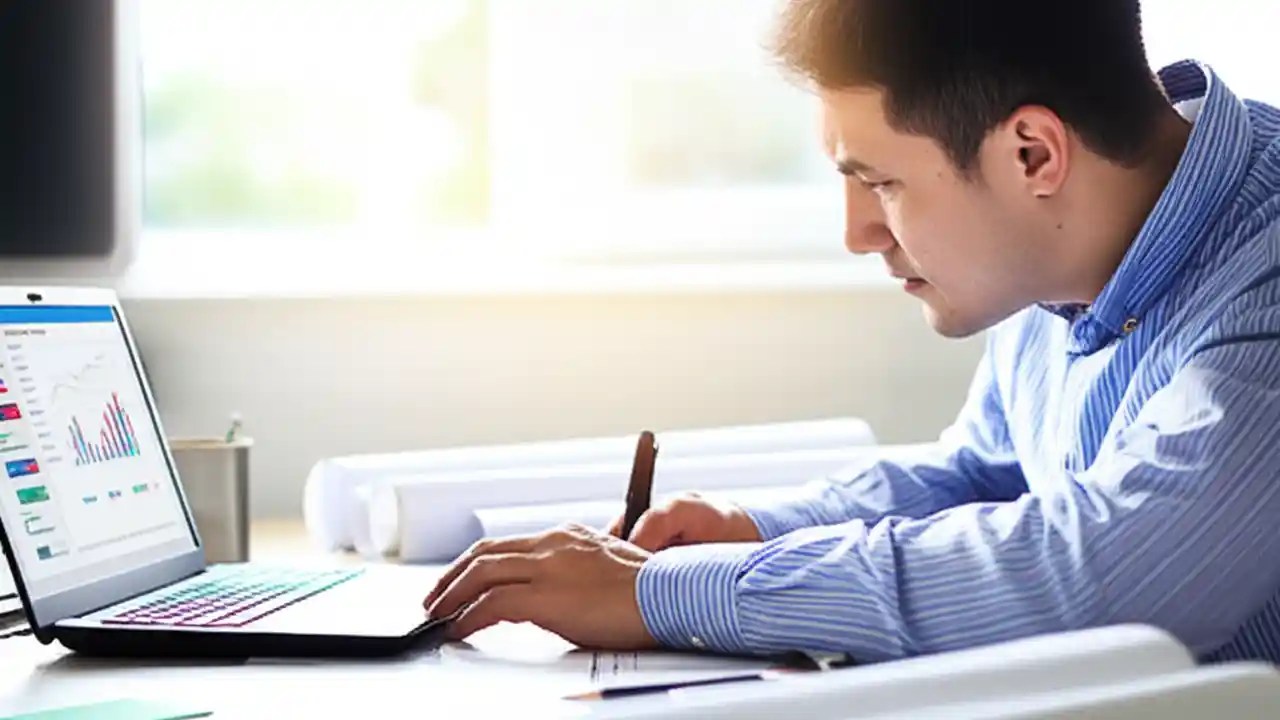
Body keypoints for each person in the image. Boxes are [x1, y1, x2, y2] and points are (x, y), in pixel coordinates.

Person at [424, 0, 1280, 664]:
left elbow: (1098, 573)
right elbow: (991, 474)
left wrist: (661, 595)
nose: (857, 233)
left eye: (882, 183)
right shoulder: (1065, 249)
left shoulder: (1263, 286)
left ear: (1032, 155)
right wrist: (758, 530)